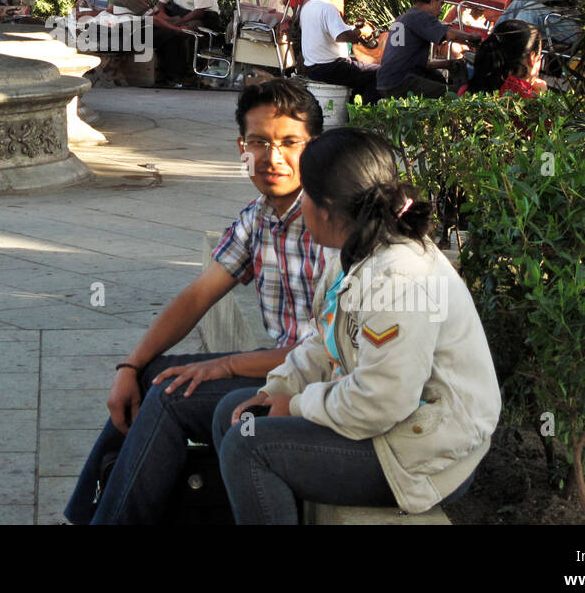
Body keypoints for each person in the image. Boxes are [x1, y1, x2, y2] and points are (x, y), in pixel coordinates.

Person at [65, 78, 335, 524]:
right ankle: (83, 515)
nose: (273, 157)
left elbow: (328, 352)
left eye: (291, 142)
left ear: (317, 147)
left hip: (322, 381)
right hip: (283, 364)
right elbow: (197, 296)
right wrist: (129, 367)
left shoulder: (330, 221)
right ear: (241, 147)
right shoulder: (259, 217)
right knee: (152, 375)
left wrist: (224, 366)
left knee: (171, 396)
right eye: (258, 142)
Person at [212, 127, 501, 524]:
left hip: (428, 452)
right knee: (233, 412)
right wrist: (278, 390)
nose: (300, 204)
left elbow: (382, 401)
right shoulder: (357, 248)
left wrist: (296, 406)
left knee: (249, 448)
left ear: (327, 209)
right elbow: (324, 341)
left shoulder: (398, 280)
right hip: (394, 425)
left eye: (305, 195)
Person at [376, 0, 478, 99]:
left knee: (438, 78)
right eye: (441, 4)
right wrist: (472, 37)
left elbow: (408, 62)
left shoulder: (403, 18)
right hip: (402, 82)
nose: (441, 11)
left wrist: (445, 64)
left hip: (385, 81)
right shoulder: (421, 16)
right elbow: (449, 34)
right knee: (457, 94)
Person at [299, 0, 380, 105]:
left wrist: (353, 28)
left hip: (314, 67)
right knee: (380, 73)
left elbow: (326, 30)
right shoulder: (328, 8)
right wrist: (362, 32)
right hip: (331, 68)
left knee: (361, 74)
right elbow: (341, 36)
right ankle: (365, 114)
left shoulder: (308, 6)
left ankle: (353, 109)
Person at [151, 0, 222, 86]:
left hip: (204, 18)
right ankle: (165, 73)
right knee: (157, 28)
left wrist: (178, 22)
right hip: (178, 14)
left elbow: (199, 11)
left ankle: (187, 74)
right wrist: (164, 18)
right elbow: (160, 4)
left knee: (183, 31)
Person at [460, 19, 547, 98]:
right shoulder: (526, 98)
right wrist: (541, 95)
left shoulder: (467, 90)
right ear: (532, 58)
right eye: (539, 57)